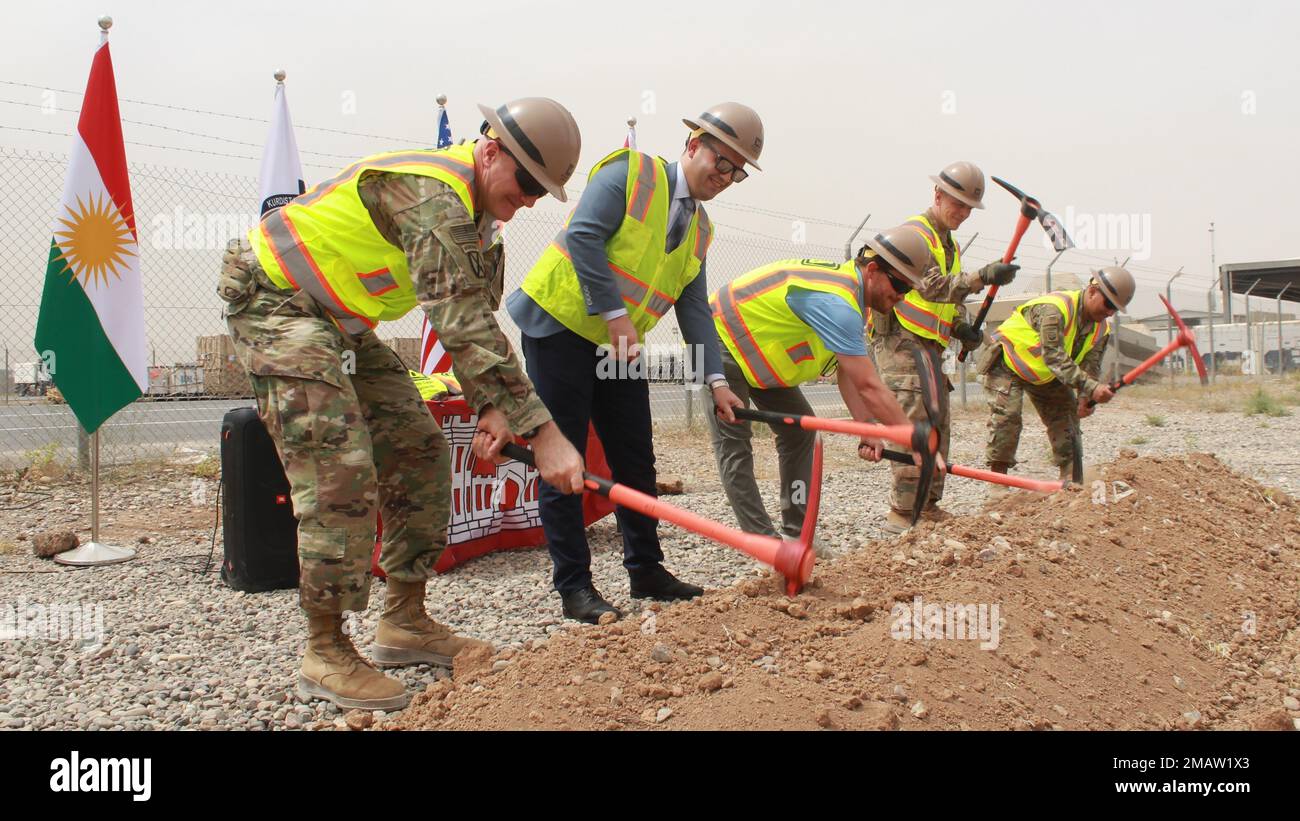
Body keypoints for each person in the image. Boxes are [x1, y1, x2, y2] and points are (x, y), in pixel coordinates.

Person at [217, 98, 587, 711]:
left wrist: (493, 408)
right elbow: (461, 323)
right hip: (276, 302)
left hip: (343, 326)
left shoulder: (480, 219)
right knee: (339, 469)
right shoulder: (432, 195)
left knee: (419, 450)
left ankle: (404, 622)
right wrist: (542, 433)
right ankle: (326, 650)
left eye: (540, 194)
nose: (528, 201)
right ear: (490, 150)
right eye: (526, 183)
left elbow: (474, 317)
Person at [505, 103, 765, 623]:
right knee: (566, 458)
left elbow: (694, 308)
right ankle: (575, 586)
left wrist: (716, 382)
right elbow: (583, 236)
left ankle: (646, 570)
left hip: (614, 348)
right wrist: (617, 316)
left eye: (737, 170)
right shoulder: (631, 174)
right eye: (721, 159)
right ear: (692, 145)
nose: (726, 175)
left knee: (635, 458)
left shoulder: (701, 229)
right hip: (559, 326)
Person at [707, 224, 940, 544]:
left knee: (800, 431)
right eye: (899, 283)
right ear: (872, 270)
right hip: (714, 341)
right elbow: (870, 386)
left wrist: (866, 427)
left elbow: (847, 372)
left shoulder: (856, 303)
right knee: (735, 446)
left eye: (908, 289)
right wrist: (913, 438)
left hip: (758, 357)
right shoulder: (838, 303)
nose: (900, 295)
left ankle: (795, 537)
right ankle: (765, 546)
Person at [870, 161, 1019, 533]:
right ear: (937, 194)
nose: (964, 213)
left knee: (937, 425)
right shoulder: (916, 234)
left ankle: (928, 507)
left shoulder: (948, 243)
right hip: (900, 342)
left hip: (929, 347)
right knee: (913, 426)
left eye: (969, 208)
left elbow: (941, 303)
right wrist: (982, 277)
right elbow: (930, 285)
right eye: (958, 204)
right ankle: (902, 513)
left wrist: (960, 327)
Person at [978, 267, 1134, 480]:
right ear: (1092, 291)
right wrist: (1091, 387)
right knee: (1008, 417)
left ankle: (1070, 480)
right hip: (1007, 362)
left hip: (1045, 372)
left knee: (1067, 418)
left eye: (1115, 309)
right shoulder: (1055, 309)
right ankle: (998, 483)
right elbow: (1053, 357)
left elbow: (1091, 367)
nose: (1109, 313)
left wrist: (1085, 397)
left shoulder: (1101, 330)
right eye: (1108, 304)